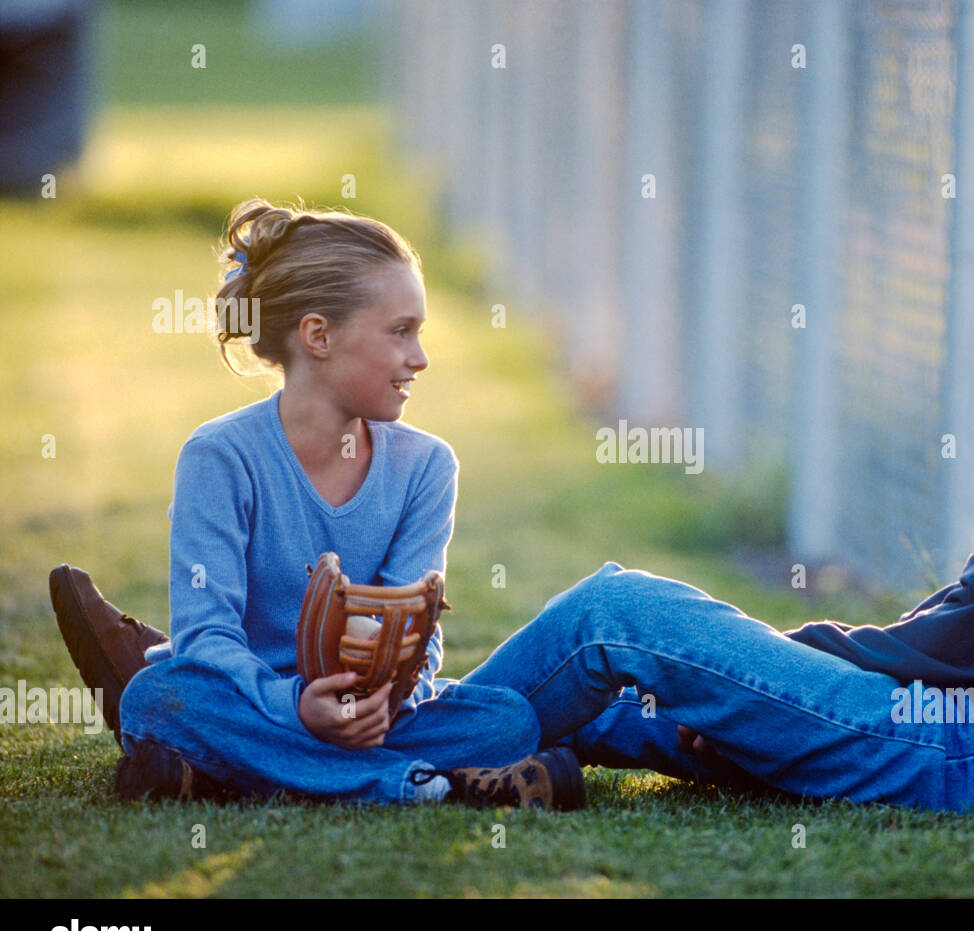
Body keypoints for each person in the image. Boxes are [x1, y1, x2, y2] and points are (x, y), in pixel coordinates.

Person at [461, 96, 974, 811]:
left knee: (618, 612)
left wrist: (794, 661)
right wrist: (765, 690)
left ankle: (383, 753)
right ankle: (452, 762)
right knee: (628, 703)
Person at [50, 198, 584, 809]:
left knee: (507, 720)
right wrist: (297, 706)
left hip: (366, 716)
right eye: (400, 331)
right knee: (157, 696)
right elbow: (206, 635)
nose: (421, 357)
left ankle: (227, 774)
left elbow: (417, 631)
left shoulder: (427, 466)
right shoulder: (220, 457)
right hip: (253, 701)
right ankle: (408, 785)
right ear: (319, 335)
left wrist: (377, 702)